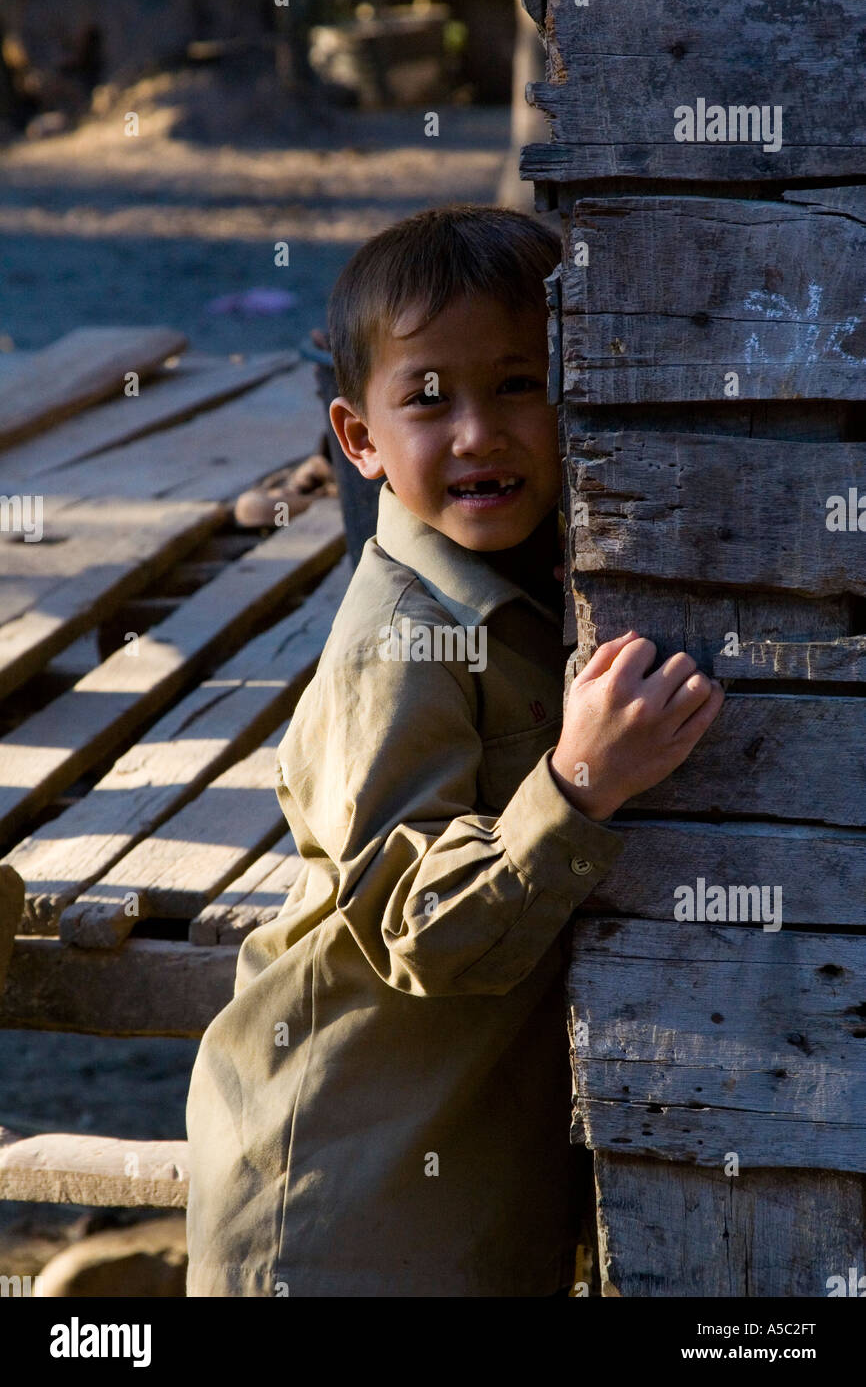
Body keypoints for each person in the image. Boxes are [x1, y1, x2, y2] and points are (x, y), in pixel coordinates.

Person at [185, 205, 725, 1298]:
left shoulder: (536, 586)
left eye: (518, 384)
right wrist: (575, 785)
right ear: (358, 441)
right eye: (427, 397)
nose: (476, 430)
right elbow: (416, 928)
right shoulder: (402, 638)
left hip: (456, 1200)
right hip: (340, 1206)